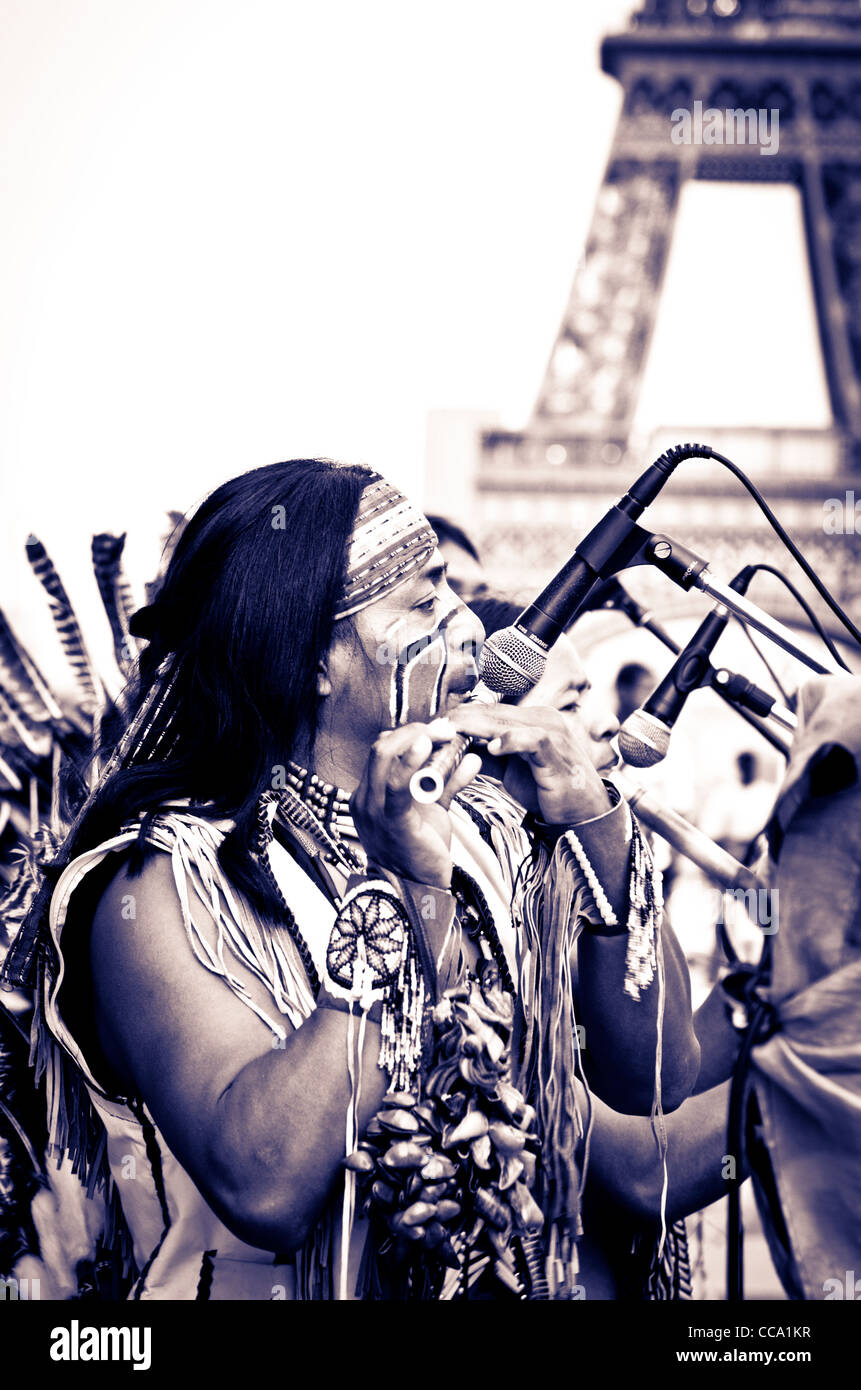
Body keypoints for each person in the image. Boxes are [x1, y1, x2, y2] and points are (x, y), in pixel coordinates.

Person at [13, 460, 701, 1300]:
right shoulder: (157, 883)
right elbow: (265, 1186)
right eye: (424, 603)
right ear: (311, 659)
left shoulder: (484, 835)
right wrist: (401, 893)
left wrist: (598, 822)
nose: (470, 630)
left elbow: (654, 1080)